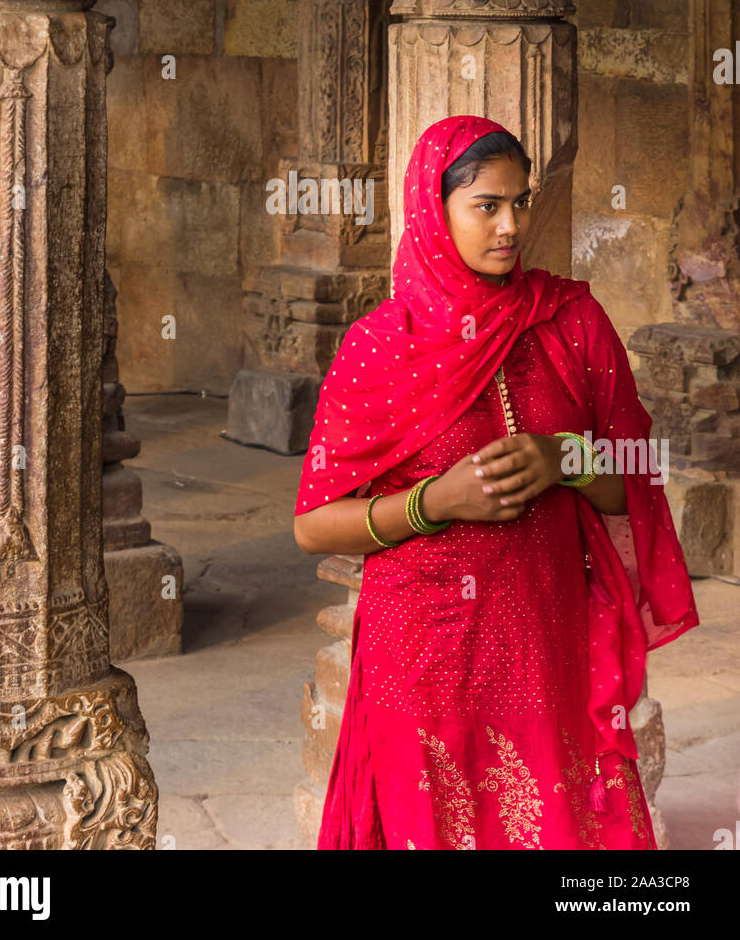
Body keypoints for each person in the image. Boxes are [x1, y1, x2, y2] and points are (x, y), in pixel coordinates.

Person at [293, 114, 699, 851]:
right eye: (486, 205)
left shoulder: (569, 321)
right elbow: (314, 524)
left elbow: (640, 478)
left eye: (520, 202)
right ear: (432, 209)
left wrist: (564, 460)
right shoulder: (381, 347)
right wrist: (430, 503)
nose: (510, 225)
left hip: (544, 642)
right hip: (421, 654)